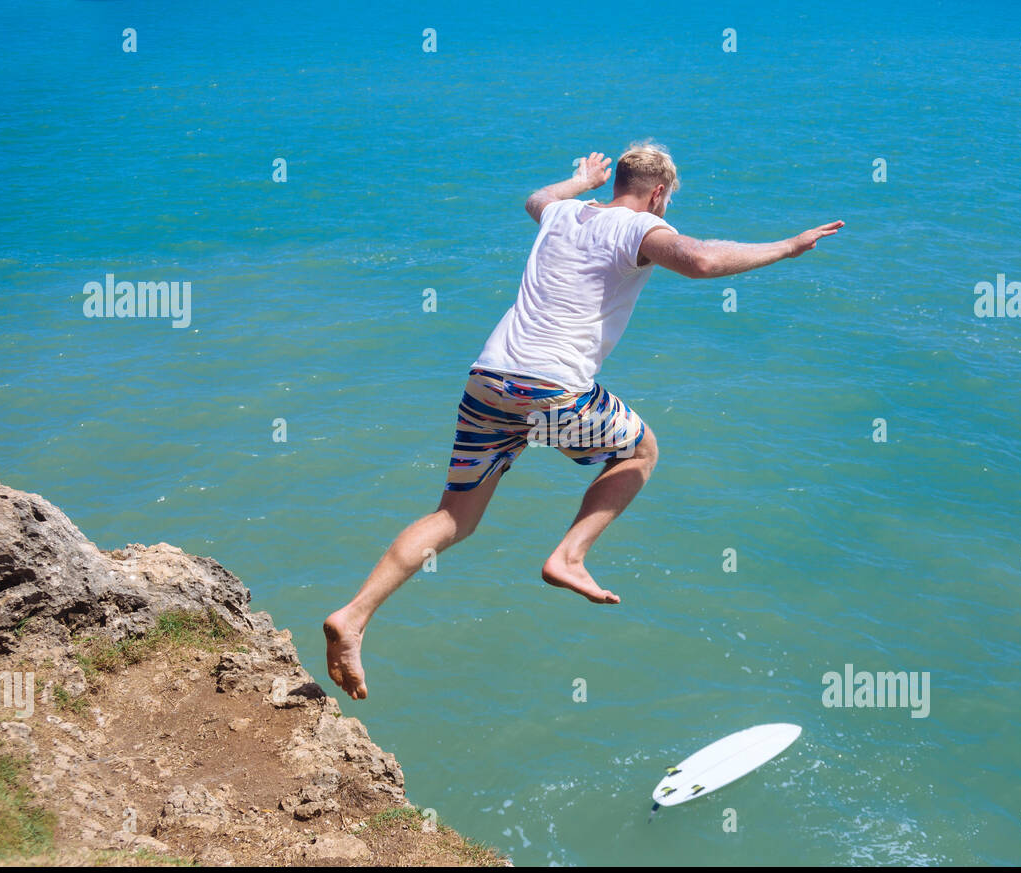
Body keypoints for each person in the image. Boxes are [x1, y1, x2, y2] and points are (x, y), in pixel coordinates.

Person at [325, 140, 844, 699]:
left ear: (616, 179)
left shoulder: (562, 212)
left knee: (454, 517)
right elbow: (703, 260)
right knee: (641, 451)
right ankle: (568, 557)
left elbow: (538, 197)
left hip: (489, 380)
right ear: (660, 193)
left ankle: (354, 615)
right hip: (552, 391)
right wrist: (789, 246)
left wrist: (581, 181)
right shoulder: (643, 230)